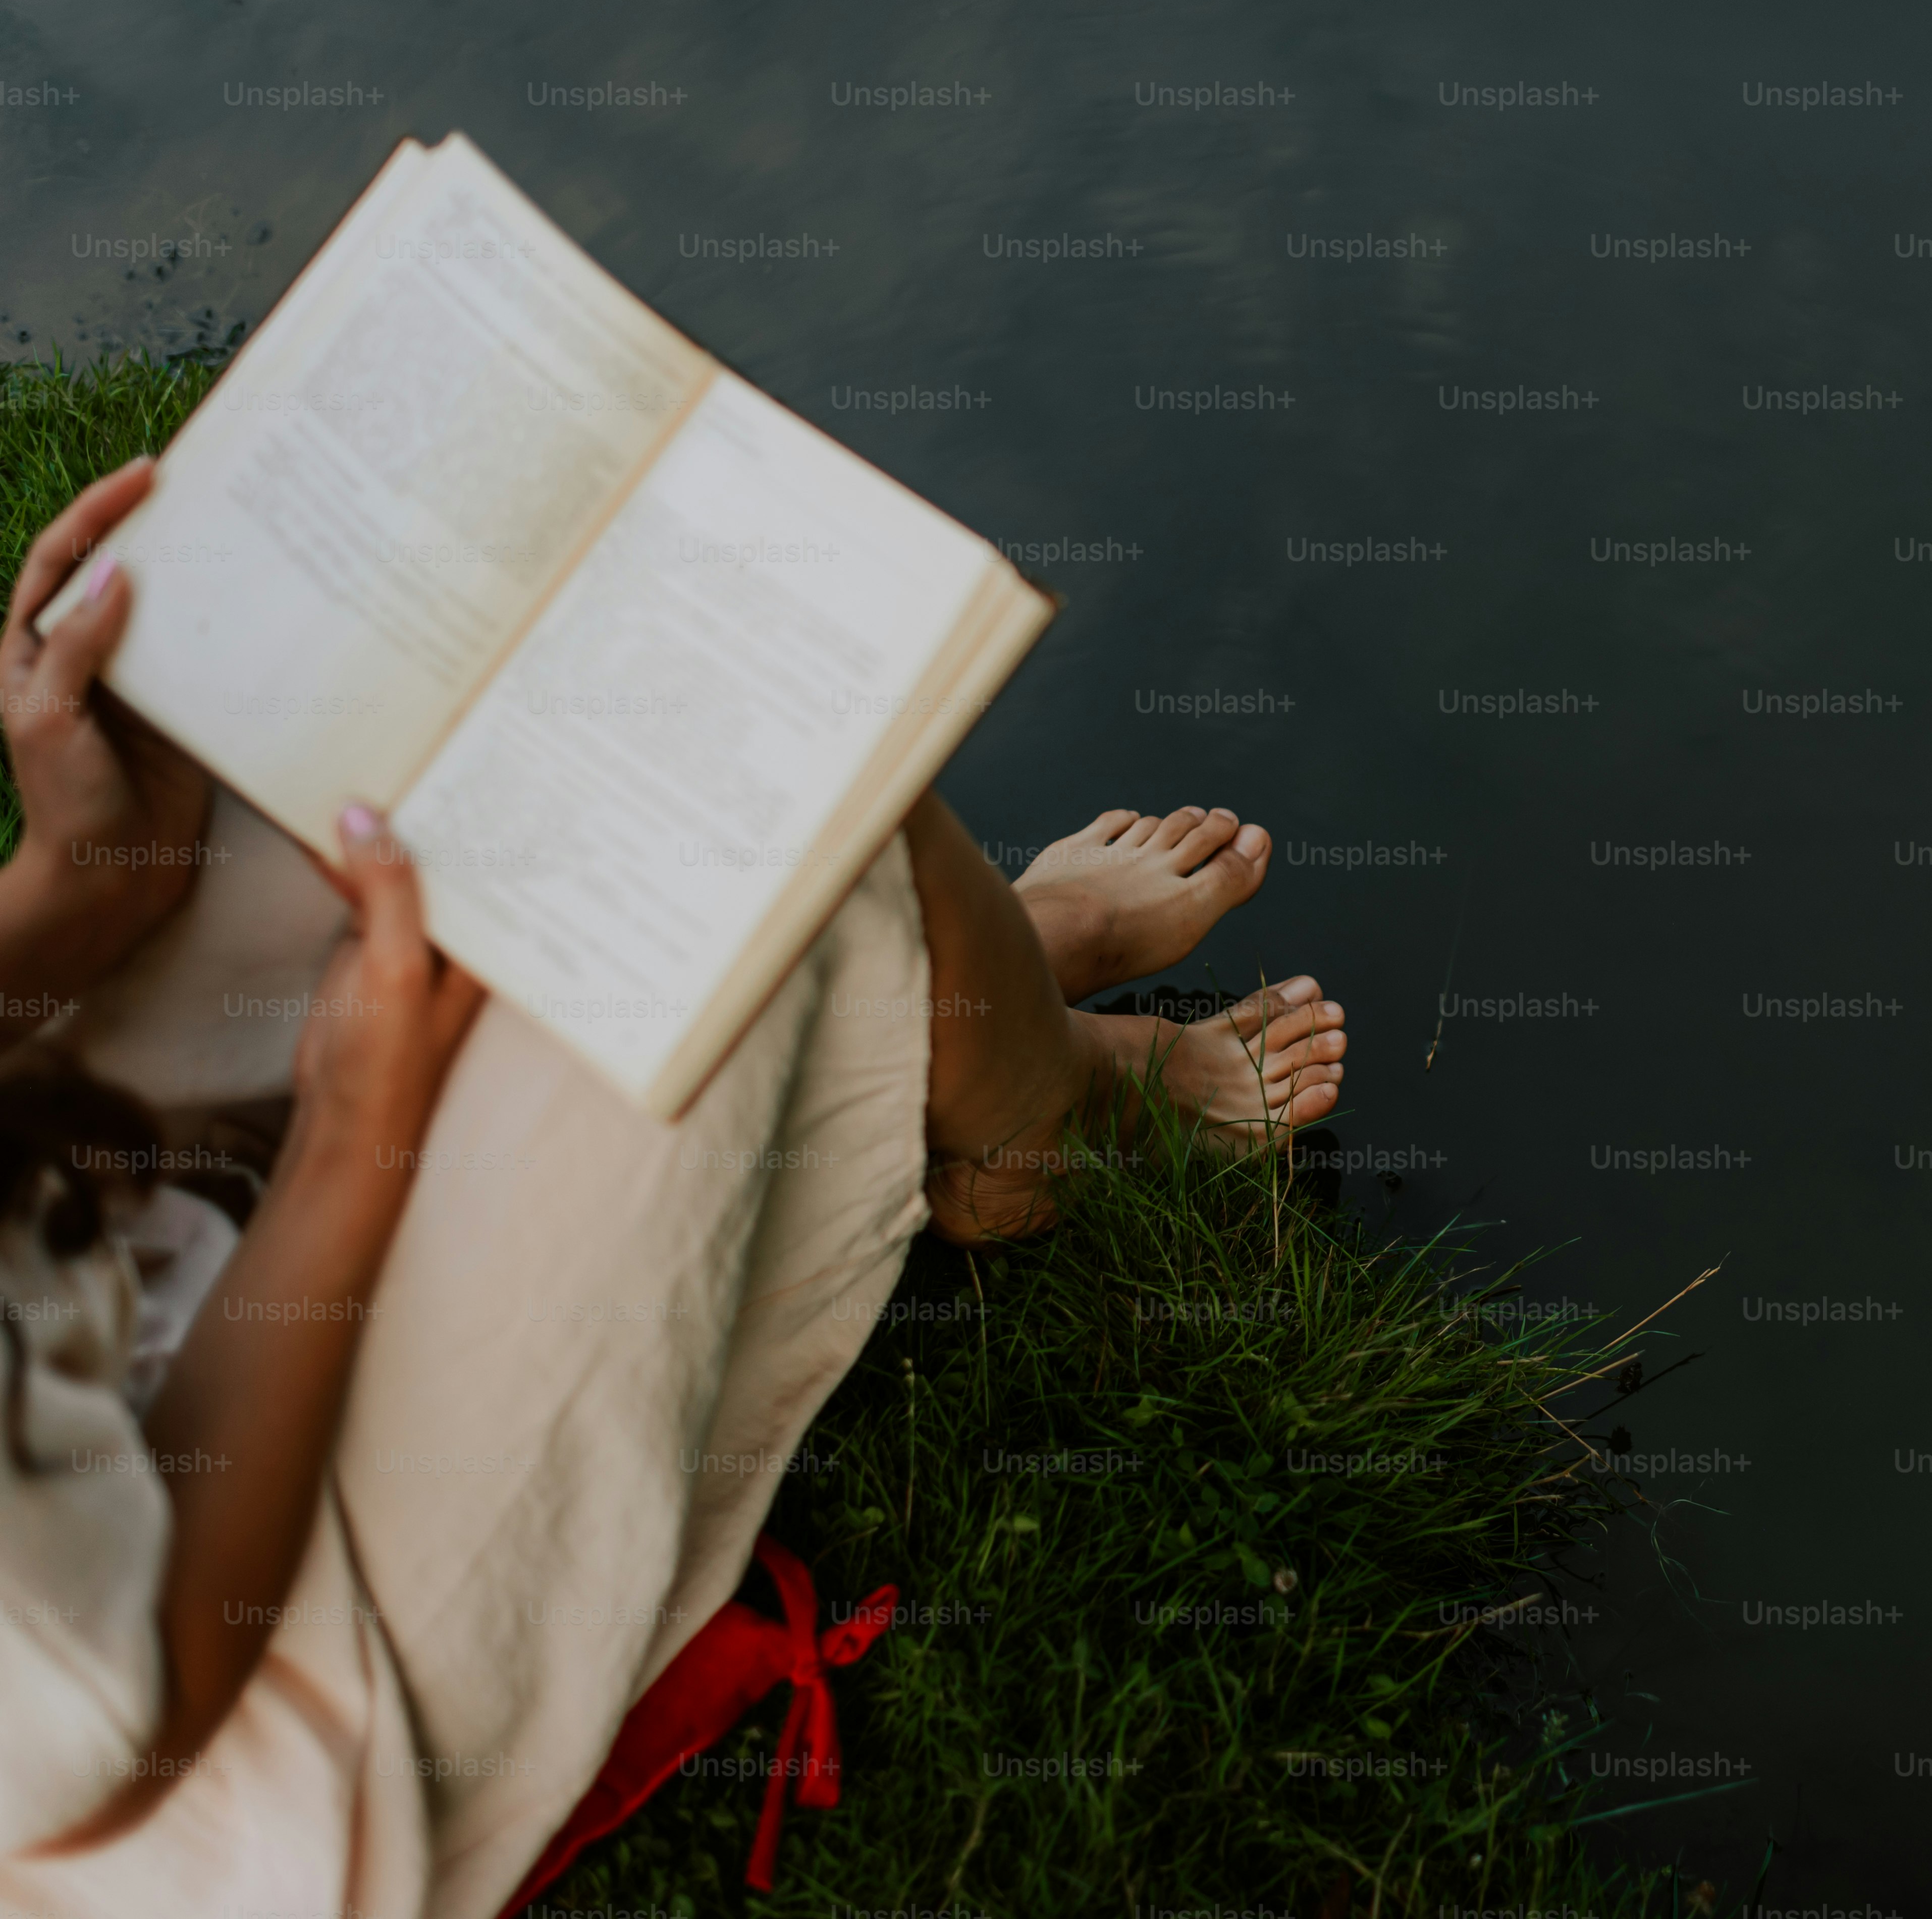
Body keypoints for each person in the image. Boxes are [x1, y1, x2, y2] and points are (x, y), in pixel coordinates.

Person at [0, 457, 1349, 1918]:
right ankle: (1044, 1102)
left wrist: (81, 889)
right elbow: (118, 1711)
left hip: (66, 1216)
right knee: (731, 815)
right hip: (225, 1698)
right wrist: (348, 1134)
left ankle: (995, 984)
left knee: (415, 714)